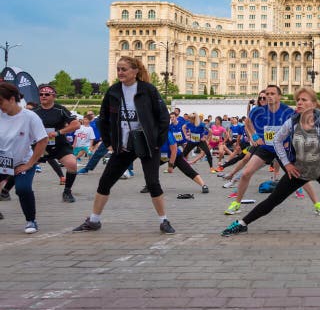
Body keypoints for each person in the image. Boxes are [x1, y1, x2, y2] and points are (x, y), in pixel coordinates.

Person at [221, 87, 320, 237]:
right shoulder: (292, 122)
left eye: (304, 100)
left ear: (313, 104)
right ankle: (242, 224)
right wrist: (287, 164)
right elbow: (277, 141)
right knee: (273, 199)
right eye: (298, 100)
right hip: (300, 170)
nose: (299, 103)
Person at [72, 56, 173, 234]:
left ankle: (163, 220)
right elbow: (103, 119)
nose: (120, 72)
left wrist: (157, 141)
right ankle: (94, 220)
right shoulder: (113, 92)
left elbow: (163, 117)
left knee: (152, 183)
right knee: (105, 182)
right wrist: (110, 142)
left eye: (124, 69)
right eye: (118, 69)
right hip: (123, 146)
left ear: (135, 71)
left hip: (147, 145)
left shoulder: (148, 90)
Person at [226, 86, 320, 217]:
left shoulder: (288, 111)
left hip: (283, 150)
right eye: (267, 94)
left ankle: (318, 205)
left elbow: (297, 127)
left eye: (272, 94)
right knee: (246, 173)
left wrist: (289, 140)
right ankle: (236, 204)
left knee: (300, 176)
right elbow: (247, 123)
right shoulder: (258, 111)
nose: (268, 96)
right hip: (266, 148)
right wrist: (254, 136)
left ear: (279, 96)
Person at [0, 82, 48, 233]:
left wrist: (30, 164)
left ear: (12, 99)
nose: (0, 106)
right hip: (2, 161)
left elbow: (43, 140)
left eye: (1, 102)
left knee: (23, 189)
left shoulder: (30, 117)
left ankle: (31, 221)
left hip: (22, 161)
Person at [34, 85, 81, 202]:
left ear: (53, 96)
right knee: (21, 166)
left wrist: (59, 132)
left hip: (59, 145)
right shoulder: (34, 112)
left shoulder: (60, 110)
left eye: (47, 94)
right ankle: (5, 191)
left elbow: (76, 124)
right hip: (40, 146)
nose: (43, 96)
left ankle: (67, 191)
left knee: (72, 164)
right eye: (41, 94)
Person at [144, 130, 209, 194]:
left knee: (188, 170)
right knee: (149, 167)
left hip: (175, 156)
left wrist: (170, 166)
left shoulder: (168, 135)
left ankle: (204, 185)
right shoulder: (151, 134)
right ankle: (149, 185)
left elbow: (174, 151)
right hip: (160, 156)